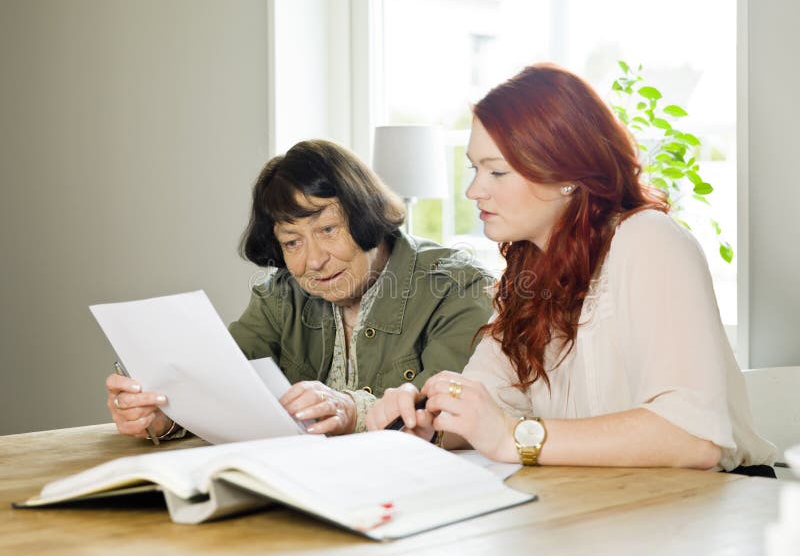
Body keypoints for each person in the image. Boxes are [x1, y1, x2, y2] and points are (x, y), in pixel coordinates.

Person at [367, 63, 777, 474]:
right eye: (476, 169)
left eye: (497, 171)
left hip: (720, 497)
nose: (475, 190)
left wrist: (513, 437)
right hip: (609, 498)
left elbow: (693, 439)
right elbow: (490, 405)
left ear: (565, 174)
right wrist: (430, 424)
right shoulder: (527, 274)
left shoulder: (648, 240)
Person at [106, 140, 494, 440]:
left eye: (328, 230)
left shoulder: (456, 285)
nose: (314, 261)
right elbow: (220, 383)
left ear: (365, 214)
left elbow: (448, 414)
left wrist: (353, 411)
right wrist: (167, 413)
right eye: (292, 242)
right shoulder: (280, 295)